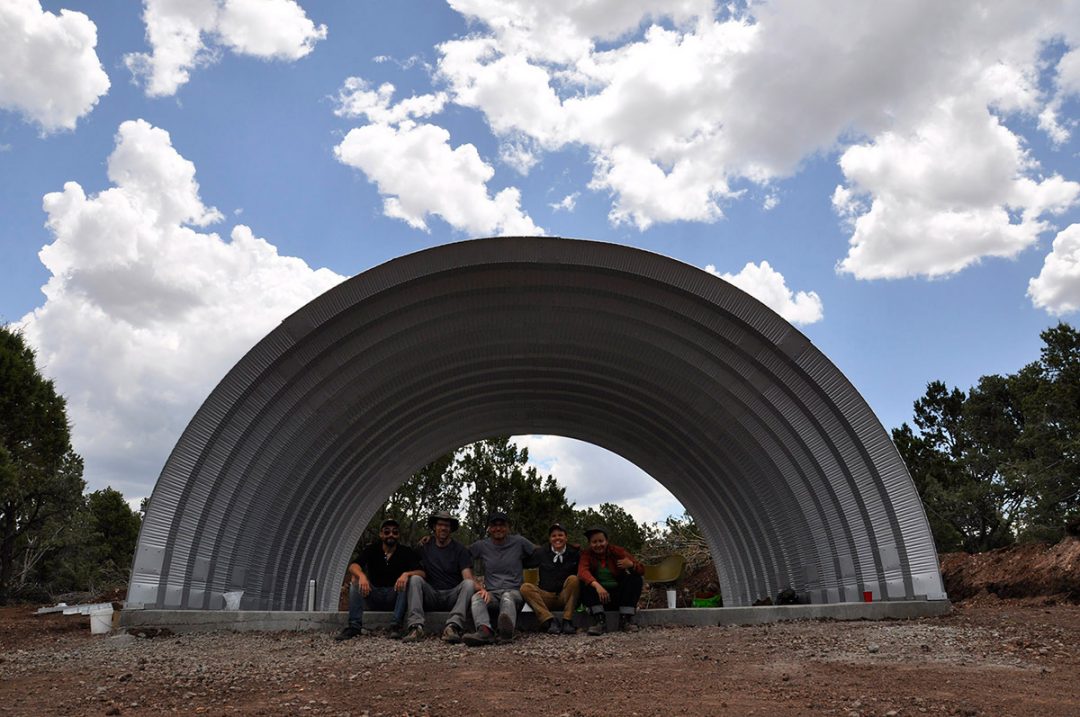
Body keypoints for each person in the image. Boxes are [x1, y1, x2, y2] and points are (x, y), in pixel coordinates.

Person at [335, 518, 424, 641]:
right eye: (387, 532)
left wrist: (406, 574)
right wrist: (362, 576)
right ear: (381, 534)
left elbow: (422, 573)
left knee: (408, 579)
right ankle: (354, 626)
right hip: (374, 595)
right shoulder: (372, 550)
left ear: (398, 535)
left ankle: (396, 625)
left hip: (396, 596)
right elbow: (353, 566)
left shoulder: (406, 552)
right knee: (355, 577)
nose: (391, 535)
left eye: (395, 532)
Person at [401, 511, 476, 643]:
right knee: (415, 579)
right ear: (434, 527)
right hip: (431, 595)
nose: (443, 528)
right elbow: (407, 557)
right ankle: (416, 627)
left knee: (469, 584)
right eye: (440, 524)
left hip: (452, 595)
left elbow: (467, 576)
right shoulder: (424, 546)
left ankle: (452, 626)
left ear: (451, 528)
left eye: (446, 525)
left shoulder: (459, 550)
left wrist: (481, 589)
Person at [462, 511, 533, 646]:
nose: (498, 528)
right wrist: (430, 540)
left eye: (502, 525)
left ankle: (506, 631)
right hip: (492, 592)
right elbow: (462, 552)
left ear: (508, 527)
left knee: (508, 597)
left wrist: (568, 548)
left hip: (514, 592)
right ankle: (484, 631)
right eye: (494, 525)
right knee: (477, 598)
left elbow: (538, 552)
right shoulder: (482, 545)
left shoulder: (519, 542)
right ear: (489, 528)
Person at [577, 525, 644, 635]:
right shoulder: (586, 554)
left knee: (635, 579)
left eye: (601, 541)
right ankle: (599, 621)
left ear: (607, 541)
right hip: (599, 598)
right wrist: (597, 586)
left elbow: (641, 570)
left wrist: (631, 565)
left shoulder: (617, 551)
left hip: (617, 595)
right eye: (594, 542)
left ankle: (625, 620)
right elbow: (582, 571)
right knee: (584, 582)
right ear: (590, 544)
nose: (598, 545)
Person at [520, 522, 580, 634]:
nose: (557, 538)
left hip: (564, 596)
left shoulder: (574, 553)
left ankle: (567, 620)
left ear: (566, 537)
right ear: (550, 539)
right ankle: (549, 620)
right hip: (546, 596)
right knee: (525, 588)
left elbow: (585, 568)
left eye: (560, 535)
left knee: (574, 579)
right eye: (554, 536)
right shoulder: (541, 552)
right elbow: (524, 563)